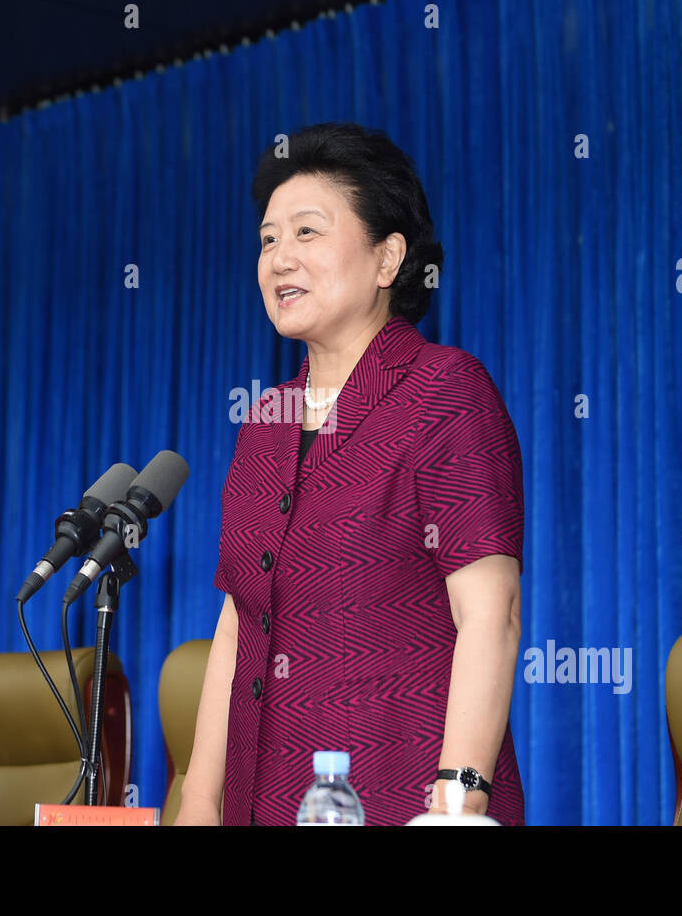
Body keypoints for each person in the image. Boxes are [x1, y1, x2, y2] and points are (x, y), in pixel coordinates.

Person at [176, 123, 526, 826]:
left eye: (307, 232)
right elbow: (237, 627)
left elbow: (490, 613)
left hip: (400, 803)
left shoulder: (444, 391)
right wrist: (197, 803)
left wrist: (458, 806)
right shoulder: (265, 422)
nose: (278, 258)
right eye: (269, 239)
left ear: (388, 258)